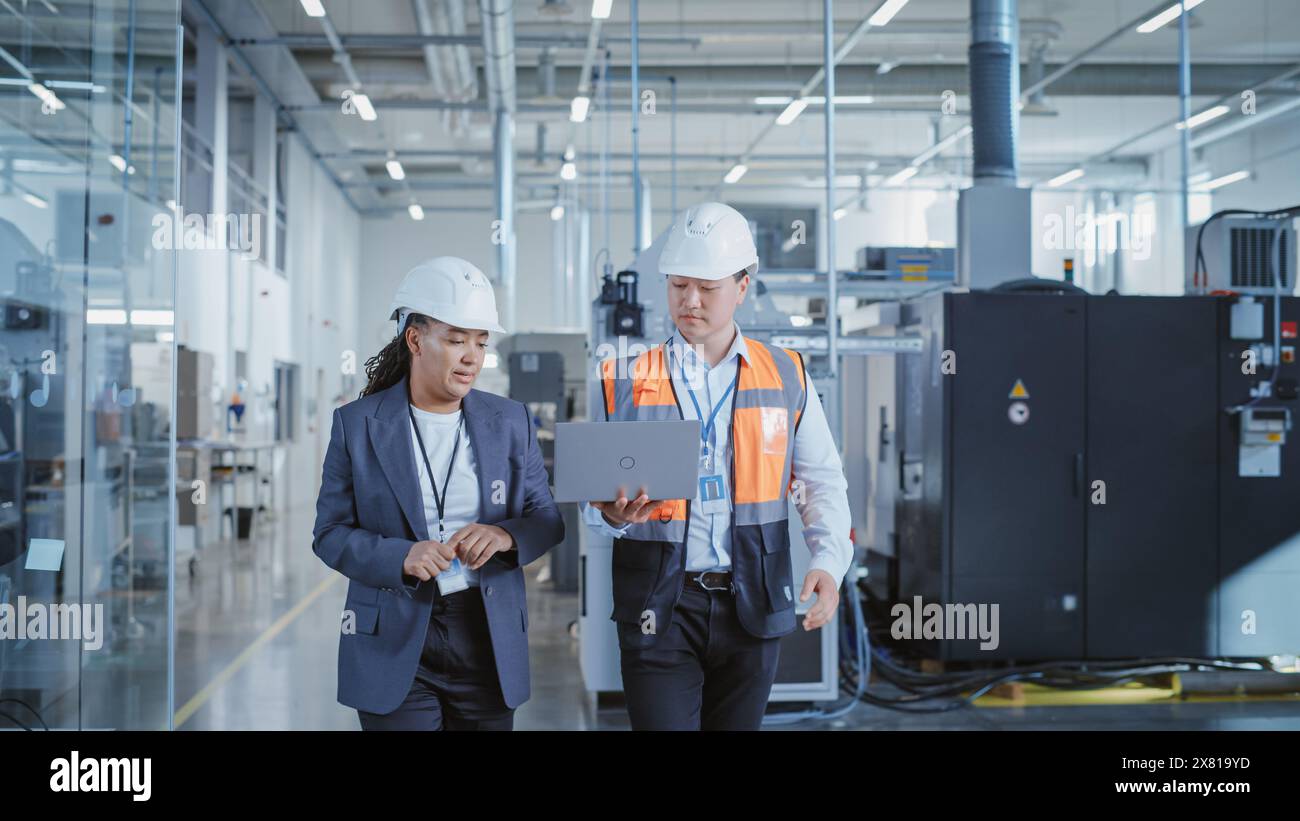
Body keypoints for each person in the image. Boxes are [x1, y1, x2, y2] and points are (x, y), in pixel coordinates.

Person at [581, 201, 853, 731]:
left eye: (707, 287)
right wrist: (613, 514)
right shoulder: (622, 378)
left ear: (743, 286)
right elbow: (592, 509)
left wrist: (829, 560)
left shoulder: (785, 374)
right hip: (659, 601)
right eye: (679, 285)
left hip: (751, 597)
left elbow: (821, 480)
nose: (690, 301)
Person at [313, 256, 564, 731]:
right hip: (396, 636)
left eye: (481, 343)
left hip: (486, 636)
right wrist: (400, 556)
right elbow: (329, 533)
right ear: (415, 339)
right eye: (455, 340)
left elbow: (546, 518)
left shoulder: (510, 421)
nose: (472, 356)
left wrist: (504, 536)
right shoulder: (358, 425)